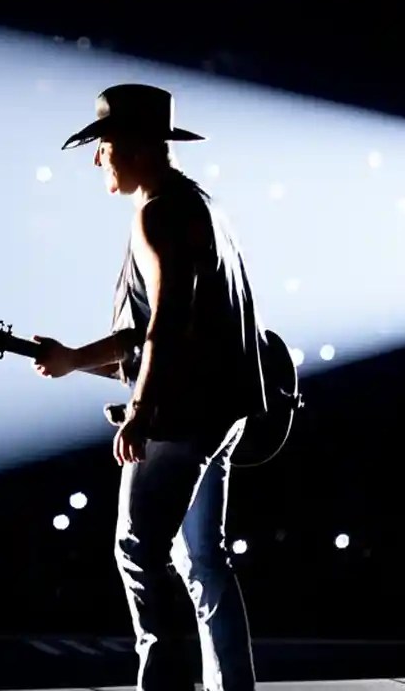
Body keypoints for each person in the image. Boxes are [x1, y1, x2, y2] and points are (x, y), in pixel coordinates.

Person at [31, 84, 267, 691]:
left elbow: (167, 323)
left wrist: (139, 411)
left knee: (139, 551)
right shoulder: (199, 205)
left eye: (101, 145)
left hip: (181, 416)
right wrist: (73, 359)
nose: (96, 160)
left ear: (131, 147)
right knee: (203, 559)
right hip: (220, 411)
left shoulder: (158, 212)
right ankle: (232, 686)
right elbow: (152, 333)